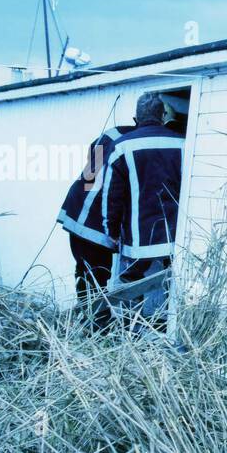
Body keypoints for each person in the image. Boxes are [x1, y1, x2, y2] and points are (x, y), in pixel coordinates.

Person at [102, 93, 185, 320]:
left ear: (136, 118)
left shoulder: (122, 146)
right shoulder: (183, 143)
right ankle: (169, 325)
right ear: (162, 116)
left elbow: (113, 195)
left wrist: (111, 230)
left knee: (132, 281)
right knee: (173, 280)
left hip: (138, 234)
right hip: (175, 234)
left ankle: (132, 330)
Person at [56, 121, 134, 321]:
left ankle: (91, 318)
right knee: (96, 272)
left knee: (86, 269)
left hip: (78, 205)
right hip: (92, 215)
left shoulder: (114, 133)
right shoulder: (130, 142)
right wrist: (114, 231)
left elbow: (93, 159)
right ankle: (96, 323)